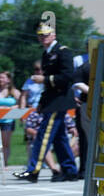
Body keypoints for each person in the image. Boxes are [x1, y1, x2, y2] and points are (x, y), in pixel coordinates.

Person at [12, 21, 78, 182]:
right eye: (40, 35)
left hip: (60, 100)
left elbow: (68, 77)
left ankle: (33, 170)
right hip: (51, 100)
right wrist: (42, 102)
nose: (43, 38)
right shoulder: (47, 54)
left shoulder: (63, 52)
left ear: (54, 35)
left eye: (46, 35)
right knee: (59, 137)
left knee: (43, 135)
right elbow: (47, 86)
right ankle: (69, 170)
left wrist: (45, 79)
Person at [0, 69, 21, 166]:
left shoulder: (14, 92)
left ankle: (5, 162)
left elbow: (22, 103)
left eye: (2, 77)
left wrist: (11, 108)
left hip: (8, 121)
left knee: (5, 143)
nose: (0, 79)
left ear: (8, 80)